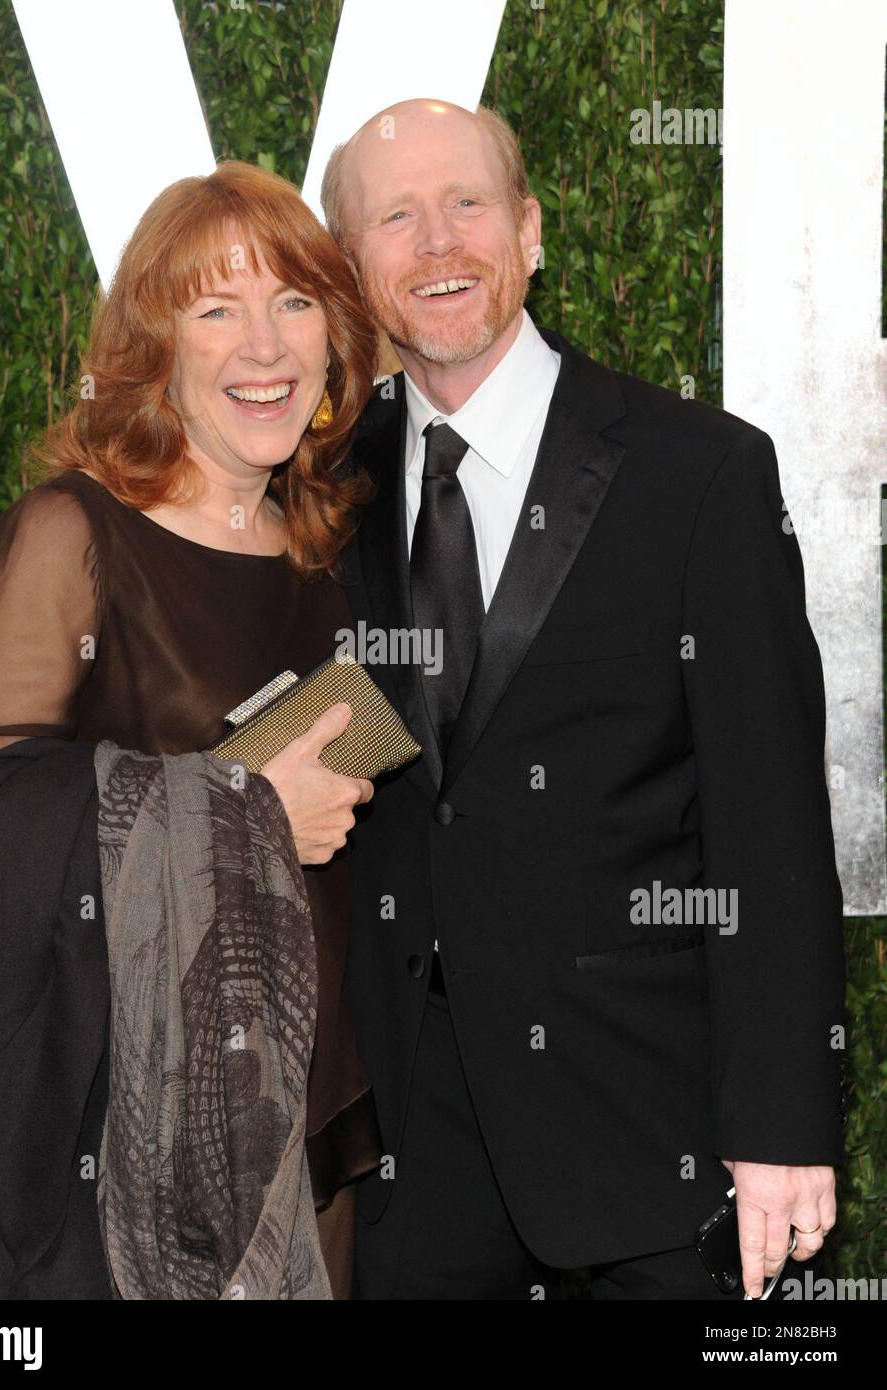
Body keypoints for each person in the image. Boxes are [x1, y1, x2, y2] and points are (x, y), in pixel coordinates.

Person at [320, 98, 847, 1299]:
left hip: (659, 1145)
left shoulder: (699, 473)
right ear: (352, 268)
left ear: (531, 231)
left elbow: (770, 824)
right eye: (395, 218)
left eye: (467, 203)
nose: (438, 242)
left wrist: (781, 1126)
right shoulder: (325, 489)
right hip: (411, 1165)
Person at [0, 159, 384, 1299]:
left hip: (315, 1142)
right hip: (128, 1159)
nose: (264, 346)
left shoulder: (330, 556)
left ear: (332, 342)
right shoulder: (74, 532)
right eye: (216, 310)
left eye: (293, 301)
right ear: (154, 349)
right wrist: (245, 811)